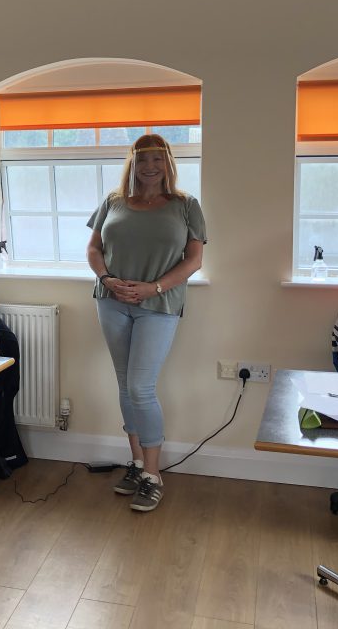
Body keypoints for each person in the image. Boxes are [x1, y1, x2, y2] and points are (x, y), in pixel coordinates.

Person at [86, 134, 206, 513]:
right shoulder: (113, 201)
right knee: (125, 384)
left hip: (159, 304)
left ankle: (154, 476)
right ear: (132, 163)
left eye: (157, 159)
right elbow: (94, 249)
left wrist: (153, 287)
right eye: (143, 159)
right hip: (112, 301)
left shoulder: (186, 205)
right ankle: (137, 464)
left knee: (141, 387)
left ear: (168, 163)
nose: (150, 167)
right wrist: (107, 280)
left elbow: (194, 260)